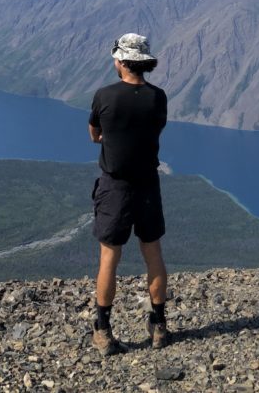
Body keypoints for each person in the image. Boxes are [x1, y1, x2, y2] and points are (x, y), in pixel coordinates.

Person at [87, 32, 170, 355]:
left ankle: (103, 329)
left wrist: (112, 135)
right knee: (153, 253)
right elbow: (154, 130)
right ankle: (159, 325)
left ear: (121, 62)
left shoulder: (104, 95)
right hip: (148, 184)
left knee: (110, 256)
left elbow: (95, 134)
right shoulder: (158, 97)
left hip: (115, 187)